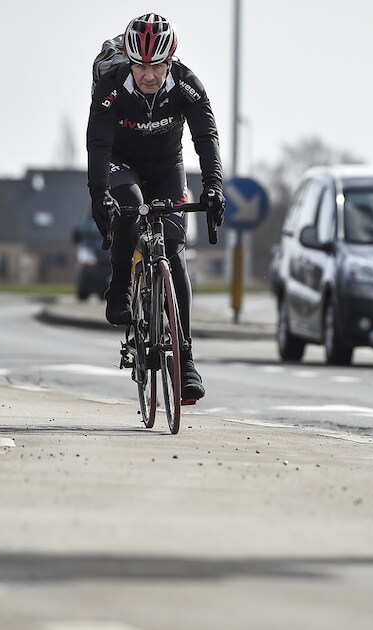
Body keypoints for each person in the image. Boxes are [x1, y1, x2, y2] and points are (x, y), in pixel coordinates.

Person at [86, 13, 225, 402]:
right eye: (140, 66)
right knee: (128, 208)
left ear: (170, 60)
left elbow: (206, 137)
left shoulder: (187, 84)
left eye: (157, 66)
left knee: (174, 250)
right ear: (129, 61)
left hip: (167, 167)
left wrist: (214, 187)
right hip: (122, 163)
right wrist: (100, 195)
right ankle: (120, 284)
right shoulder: (112, 87)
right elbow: (98, 144)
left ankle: (186, 360)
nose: (148, 75)